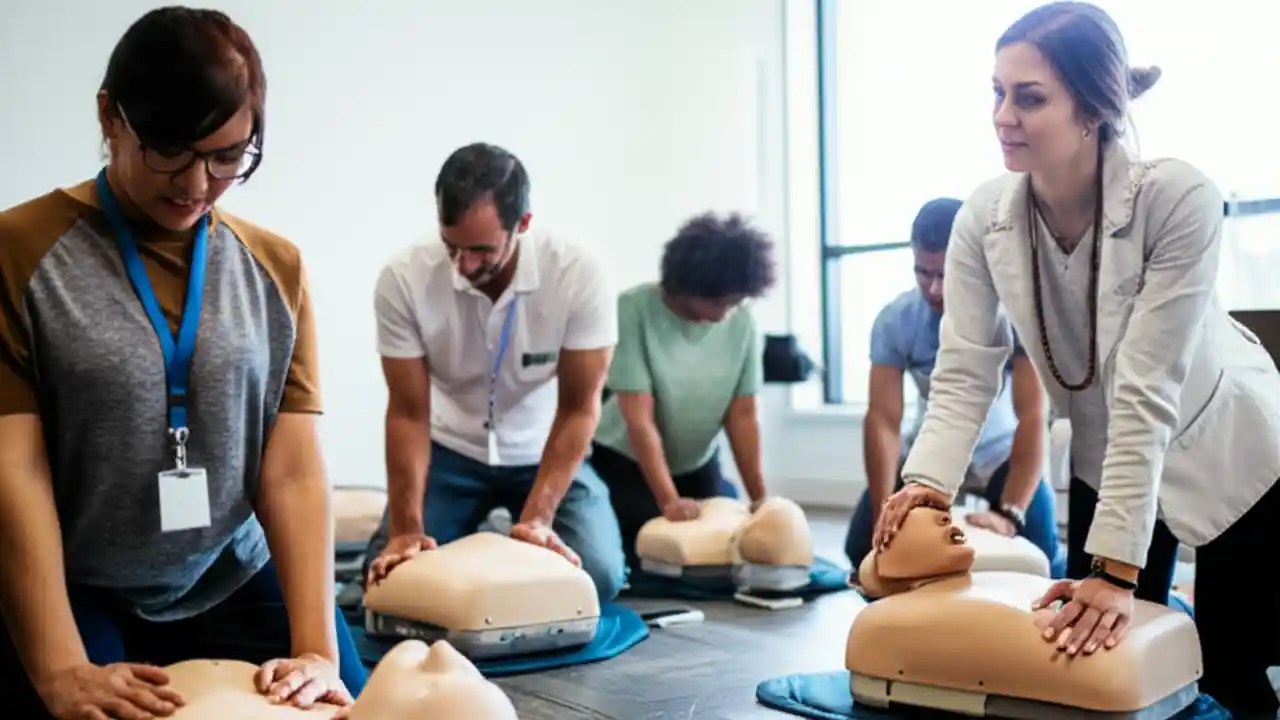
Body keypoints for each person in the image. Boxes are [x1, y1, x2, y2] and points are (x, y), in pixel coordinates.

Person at [873, 3, 1280, 716]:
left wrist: (1116, 570)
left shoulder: (1178, 197)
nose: (1003, 115)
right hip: (1105, 449)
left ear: (1094, 108)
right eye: (996, 92)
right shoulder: (983, 219)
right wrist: (926, 485)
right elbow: (966, 368)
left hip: (1230, 450)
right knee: (1094, 662)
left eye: (1029, 97)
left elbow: (1148, 387)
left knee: (1226, 672)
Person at [0, 8, 365, 720]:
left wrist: (317, 647)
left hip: (228, 572)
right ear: (110, 116)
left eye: (229, 155)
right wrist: (59, 667)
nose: (197, 183)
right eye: (170, 149)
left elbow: (290, 468)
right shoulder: (19, 252)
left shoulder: (276, 268)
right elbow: (15, 467)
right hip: (81, 583)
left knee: (349, 707)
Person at [364, 142, 627, 602]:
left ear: (523, 224)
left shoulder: (579, 274)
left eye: (481, 250)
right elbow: (407, 413)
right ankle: (477, 535)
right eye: (452, 246)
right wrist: (406, 530)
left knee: (599, 577)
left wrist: (540, 518)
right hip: (451, 450)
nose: (464, 265)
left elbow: (579, 408)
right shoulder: (402, 278)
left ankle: (507, 530)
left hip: (543, 451)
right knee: (392, 578)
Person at [845, 198, 1061, 575]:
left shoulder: (1016, 314)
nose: (933, 288)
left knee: (1040, 551)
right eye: (922, 272)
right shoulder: (896, 321)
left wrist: (1010, 512)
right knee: (860, 547)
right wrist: (884, 515)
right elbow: (882, 419)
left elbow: (1032, 415)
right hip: (930, 448)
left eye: (945, 275)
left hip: (999, 451)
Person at [589, 212, 776, 567]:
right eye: (716, 302)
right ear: (685, 285)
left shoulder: (743, 323)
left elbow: (743, 416)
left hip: (696, 463)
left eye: (733, 302)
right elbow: (639, 419)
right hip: (624, 462)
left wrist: (761, 500)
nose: (723, 314)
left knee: (731, 541)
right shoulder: (632, 310)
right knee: (646, 546)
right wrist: (668, 501)